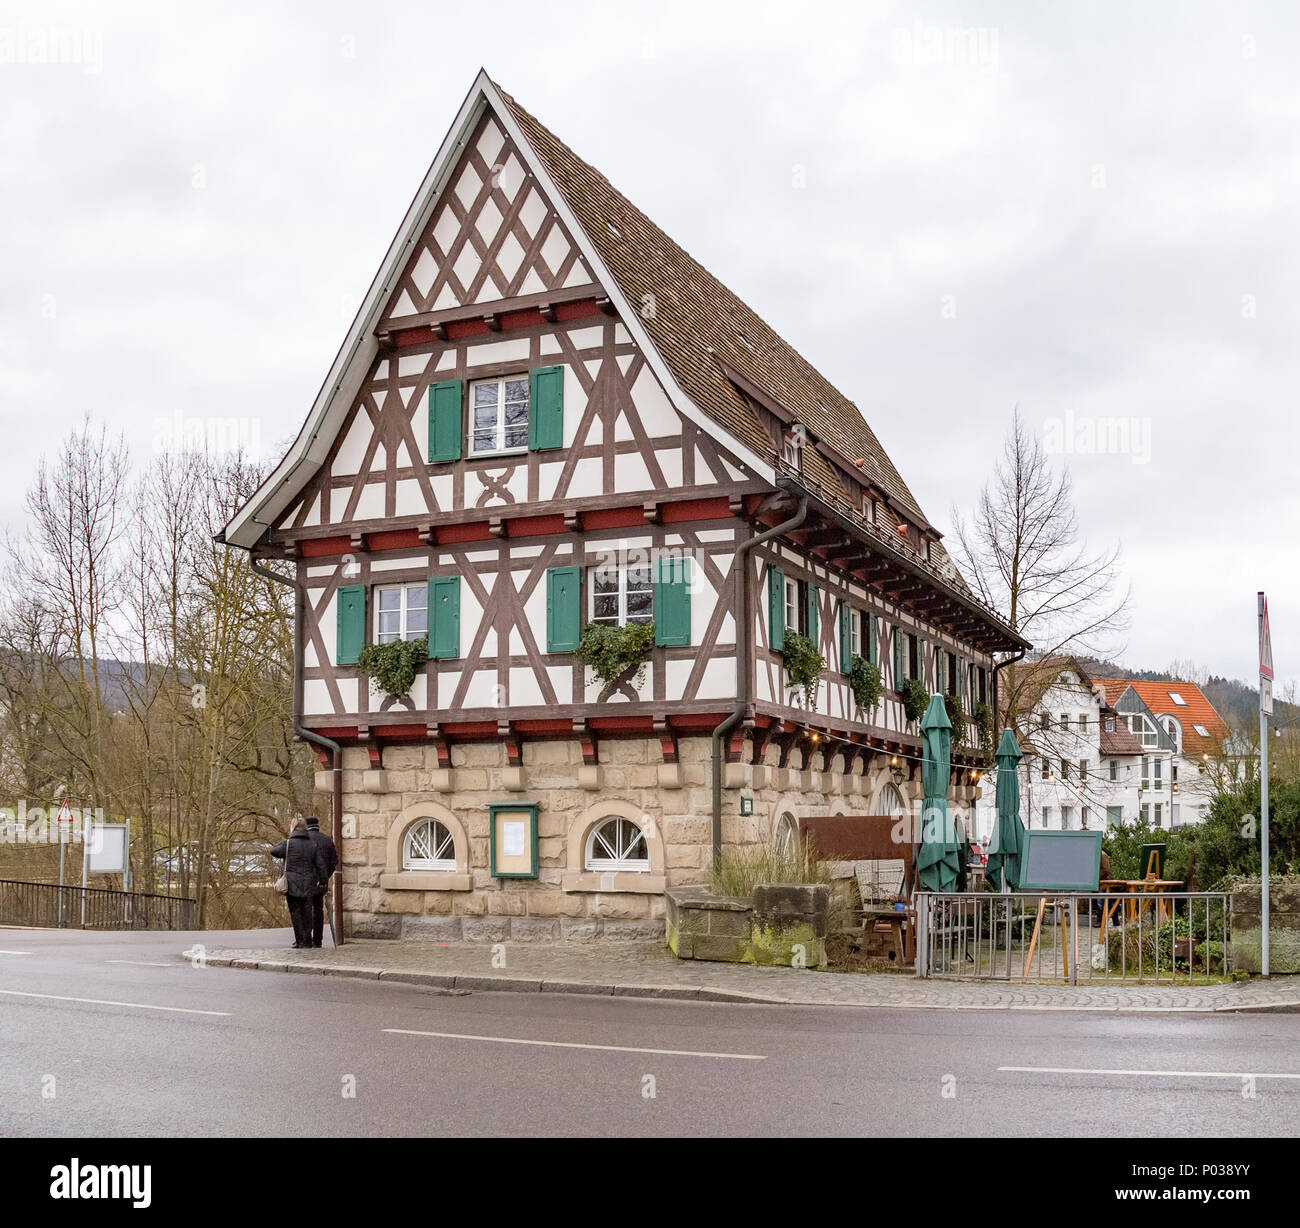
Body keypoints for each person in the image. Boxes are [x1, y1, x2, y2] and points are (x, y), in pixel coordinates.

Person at [271, 818, 329, 949]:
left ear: (293, 828)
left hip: (291, 883)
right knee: (307, 911)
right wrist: (323, 881)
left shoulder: (288, 843)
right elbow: (321, 865)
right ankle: (308, 940)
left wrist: (286, 839)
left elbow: (273, 851)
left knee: (295, 912)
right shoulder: (312, 844)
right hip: (309, 882)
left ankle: (300, 940)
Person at [305, 815, 339, 948]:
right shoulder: (327, 840)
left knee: (306, 909)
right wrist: (325, 876)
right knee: (318, 910)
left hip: (306, 881)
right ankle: (317, 940)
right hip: (322, 881)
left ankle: (306, 938)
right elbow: (334, 861)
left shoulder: (305, 840)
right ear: (317, 826)